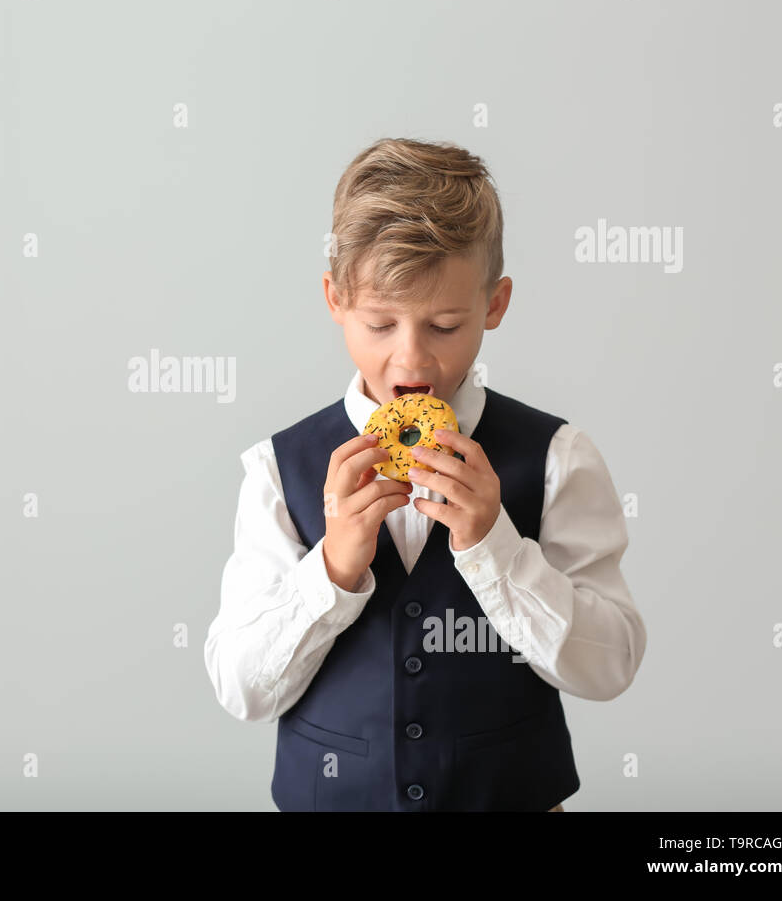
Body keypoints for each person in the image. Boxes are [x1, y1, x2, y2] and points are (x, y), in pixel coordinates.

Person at [203, 138, 647, 811]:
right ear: (336, 300)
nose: (411, 359)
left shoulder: (557, 458)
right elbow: (242, 689)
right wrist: (333, 568)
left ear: (494, 306)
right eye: (380, 324)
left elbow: (610, 664)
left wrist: (494, 546)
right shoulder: (277, 469)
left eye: (444, 325)